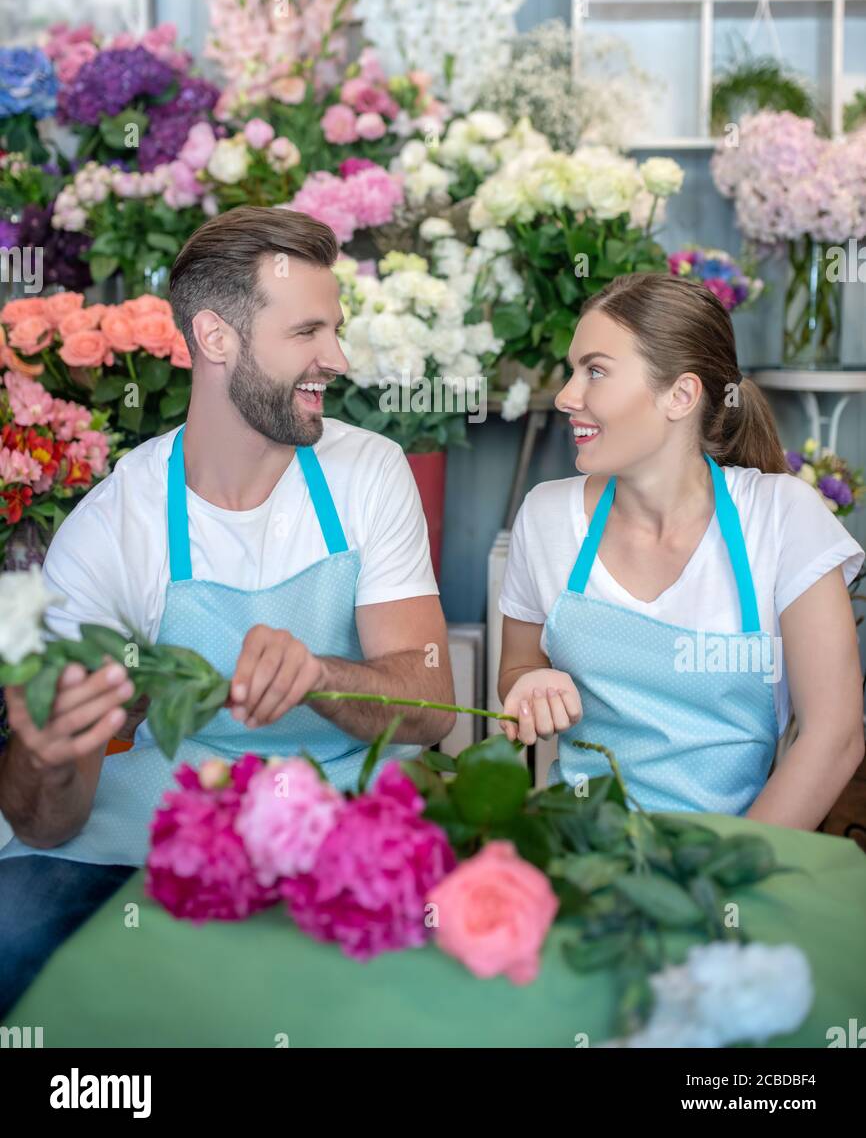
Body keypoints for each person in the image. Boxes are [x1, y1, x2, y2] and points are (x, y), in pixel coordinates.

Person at [0, 205, 454, 1015]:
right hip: (150, 841)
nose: (337, 359)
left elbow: (429, 709)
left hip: (343, 830)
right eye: (308, 333)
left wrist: (318, 673)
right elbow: (42, 825)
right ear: (215, 338)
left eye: (335, 330)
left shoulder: (369, 474)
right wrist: (47, 753)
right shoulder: (113, 528)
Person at [498, 273, 865, 826]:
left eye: (595, 371)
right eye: (573, 371)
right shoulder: (546, 517)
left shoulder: (782, 517)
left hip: (735, 866)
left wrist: (721, 882)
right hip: (579, 857)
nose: (567, 396)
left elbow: (834, 737)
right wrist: (527, 683)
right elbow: (517, 668)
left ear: (681, 395)